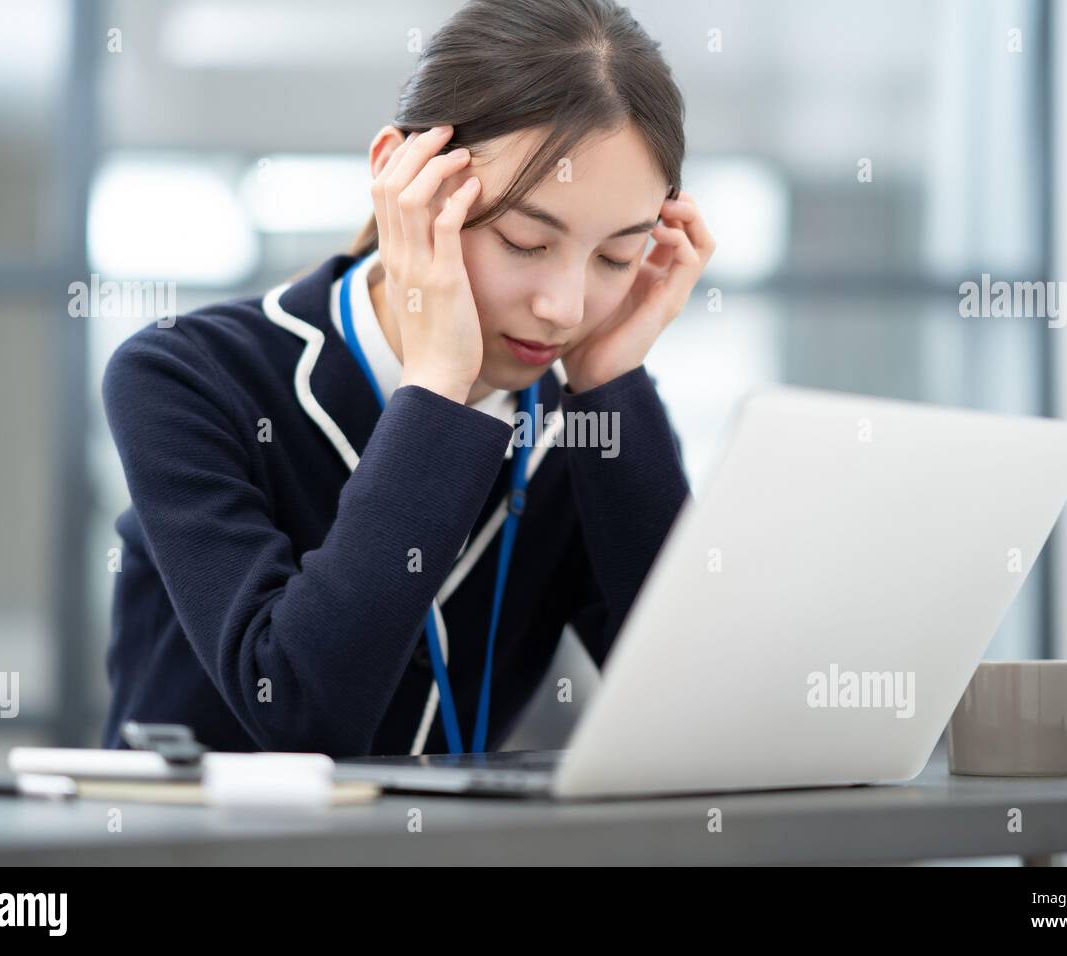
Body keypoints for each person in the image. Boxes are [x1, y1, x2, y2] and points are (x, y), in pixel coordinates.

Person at [101, 0, 715, 757]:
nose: (564, 308)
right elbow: (299, 714)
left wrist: (613, 383)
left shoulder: (583, 421)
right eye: (525, 241)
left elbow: (698, 712)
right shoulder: (189, 377)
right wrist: (436, 389)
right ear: (402, 180)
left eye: (616, 257)